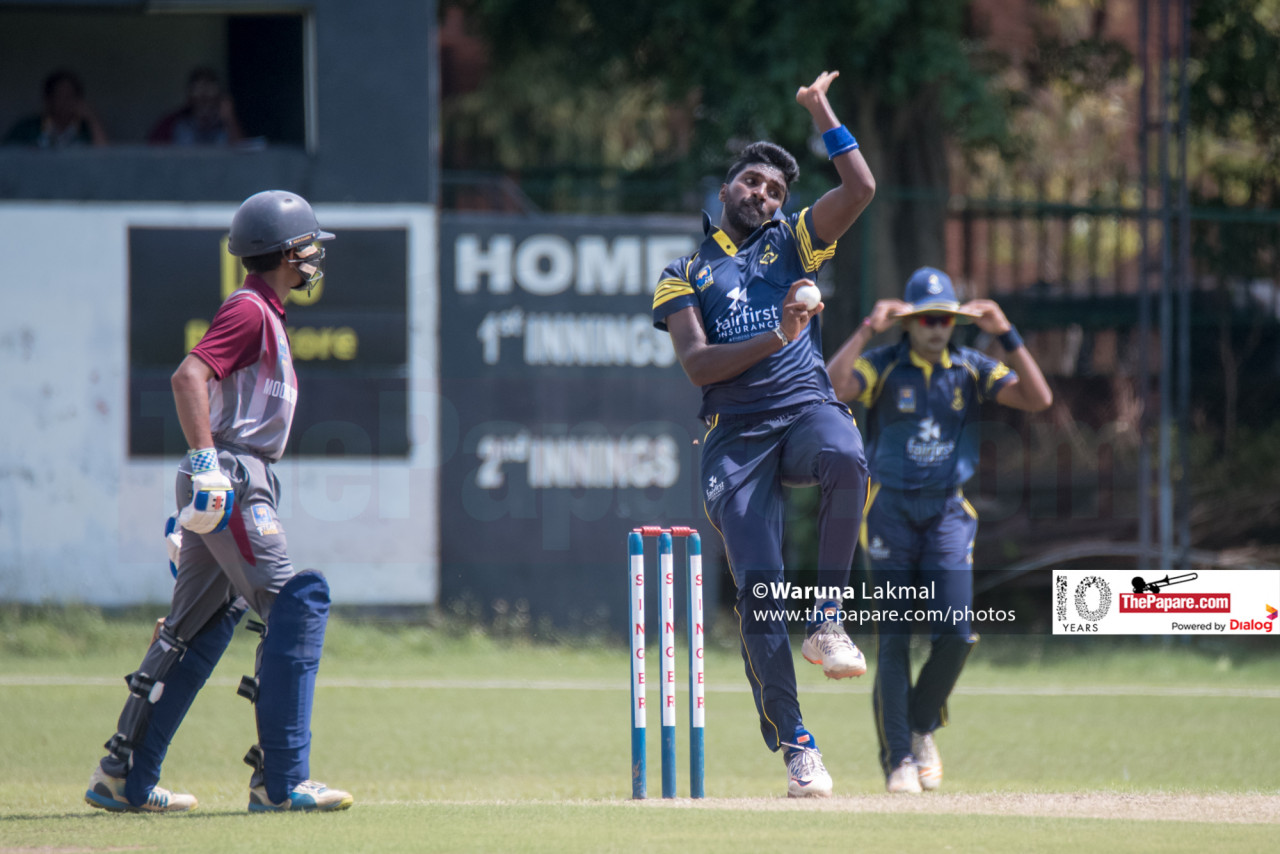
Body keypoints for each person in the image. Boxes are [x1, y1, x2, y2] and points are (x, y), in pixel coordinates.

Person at [85, 190, 353, 814]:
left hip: (231, 471)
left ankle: (123, 776)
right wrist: (206, 464)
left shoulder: (266, 313)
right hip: (231, 472)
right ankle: (281, 783)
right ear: (286, 253)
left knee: (196, 629)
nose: (316, 257)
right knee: (294, 605)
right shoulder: (251, 309)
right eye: (309, 246)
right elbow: (189, 376)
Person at [651, 71, 875, 798]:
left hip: (805, 409)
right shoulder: (684, 274)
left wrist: (820, 109)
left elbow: (861, 188)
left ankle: (829, 620)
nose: (765, 196)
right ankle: (798, 746)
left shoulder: (796, 242)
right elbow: (697, 364)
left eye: (777, 190)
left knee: (846, 455)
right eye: (753, 182)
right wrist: (778, 334)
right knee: (761, 593)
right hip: (736, 437)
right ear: (726, 190)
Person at [826, 267, 1053, 793]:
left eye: (945, 319)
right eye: (926, 319)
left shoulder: (971, 367)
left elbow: (1038, 398)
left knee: (955, 632)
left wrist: (1006, 332)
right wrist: (868, 327)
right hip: (889, 511)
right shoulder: (885, 363)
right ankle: (899, 759)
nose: (936, 328)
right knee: (894, 639)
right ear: (909, 322)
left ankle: (923, 723)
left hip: (948, 512)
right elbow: (834, 386)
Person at [3, 69, 108, 148]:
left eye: (70, 96)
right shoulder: (27, 129)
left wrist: (92, 119)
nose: (65, 102)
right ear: (48, 99)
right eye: (60, 96)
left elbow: (104, 159)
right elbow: (7, 157)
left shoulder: (85, 130)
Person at [148, 67, 243, 146]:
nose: (204, 97)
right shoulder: (175, 124)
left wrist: (229, 119)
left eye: (210, 97)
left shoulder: (227, 126)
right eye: (199, 93)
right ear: (189, 98)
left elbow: (242, 153)